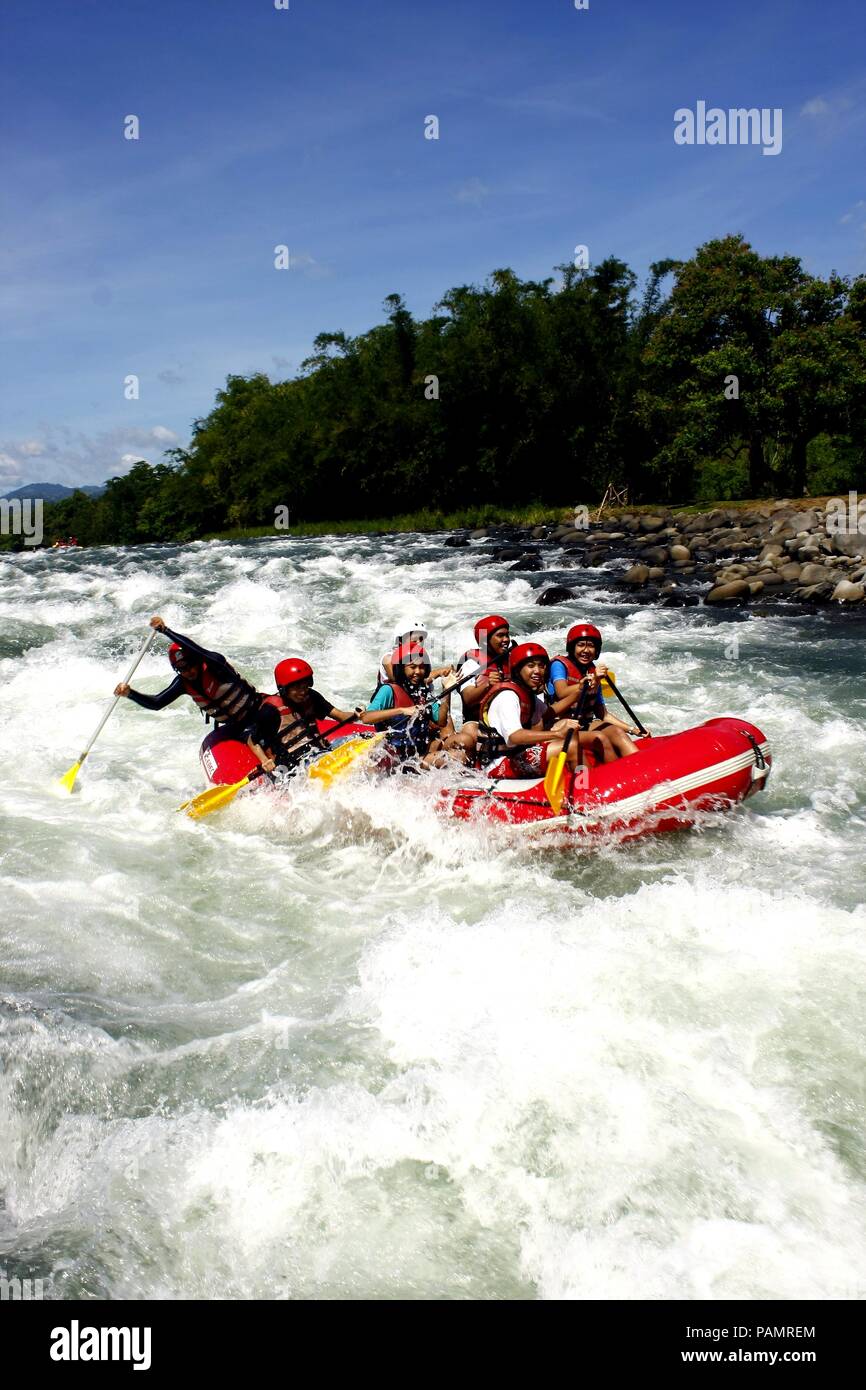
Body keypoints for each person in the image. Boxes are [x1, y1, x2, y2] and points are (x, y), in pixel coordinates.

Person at [479, 642, 629, 779]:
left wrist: (579, 692)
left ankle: (618, 778)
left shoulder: (528, 695)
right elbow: (515, 737)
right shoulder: (507, 696)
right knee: (571, 746)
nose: (537, 671)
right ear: (518, 670)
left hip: (518, 753)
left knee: (595, 736)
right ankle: (587, 791)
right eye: (531, 666)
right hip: (499, 764)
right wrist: (557, 734)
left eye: (541, 666)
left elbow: (550, 712)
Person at [114, 615, 264, 737]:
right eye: (182, 669)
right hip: (236, 725)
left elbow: (199, 651)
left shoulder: (215, 664)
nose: (188, 672)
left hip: (259, 712)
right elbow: (156, 703)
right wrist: (129, 693)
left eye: (190, 665)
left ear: (197, 660)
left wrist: (165, 630)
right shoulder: (182, 683)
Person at [248, 658, 367, 773]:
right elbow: (251, 740)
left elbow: (341, 716)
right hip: (295, 765)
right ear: (284, 689)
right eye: (297, 688)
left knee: (362, 738)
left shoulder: (311, 696)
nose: (303, 692)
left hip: (320, 752)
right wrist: (264, 761)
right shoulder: (270, 710)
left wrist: (356, 715)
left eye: (305, 686)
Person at [363, 643, 468, 768]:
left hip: (417, 756)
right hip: (393, 757)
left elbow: (441, 721)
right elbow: (366, 717)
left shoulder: (422, 691)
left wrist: (447, 691)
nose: (418, 672)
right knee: (456, 758)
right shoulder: (388, 690)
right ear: (401, 668)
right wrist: (401, 710)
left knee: (461, 752)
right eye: (412, 667)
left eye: (422, 667)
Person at [548, 623, 641, 756]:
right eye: (581, 645)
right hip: (561, 725)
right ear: (572, 647)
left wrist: (633, 730)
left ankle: (638, 767)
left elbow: (603, 714)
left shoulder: (592, 670)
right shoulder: (559, 665)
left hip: (584, 724)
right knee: (600, 738)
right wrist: (589, 682)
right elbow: (561, 692)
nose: (586, 650)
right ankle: (615, 775)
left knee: (617, 732)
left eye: (591, 646)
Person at [455, 615, 513, 719]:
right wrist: (487, 685)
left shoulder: (511, 660)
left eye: (507, 635)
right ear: (485, 640)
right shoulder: (471, 664)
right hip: (477, 722)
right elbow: (467, 698)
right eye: (500, 636)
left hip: (507, 717)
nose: (506, 640)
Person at [374, 618, 452, 690]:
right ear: (400, 641)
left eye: (421, 639)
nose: (419, 643)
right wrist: (438, 672)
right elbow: (404, 683)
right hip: (394, 700)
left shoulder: (421, 658)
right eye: (414, 640)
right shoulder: (388, 659)